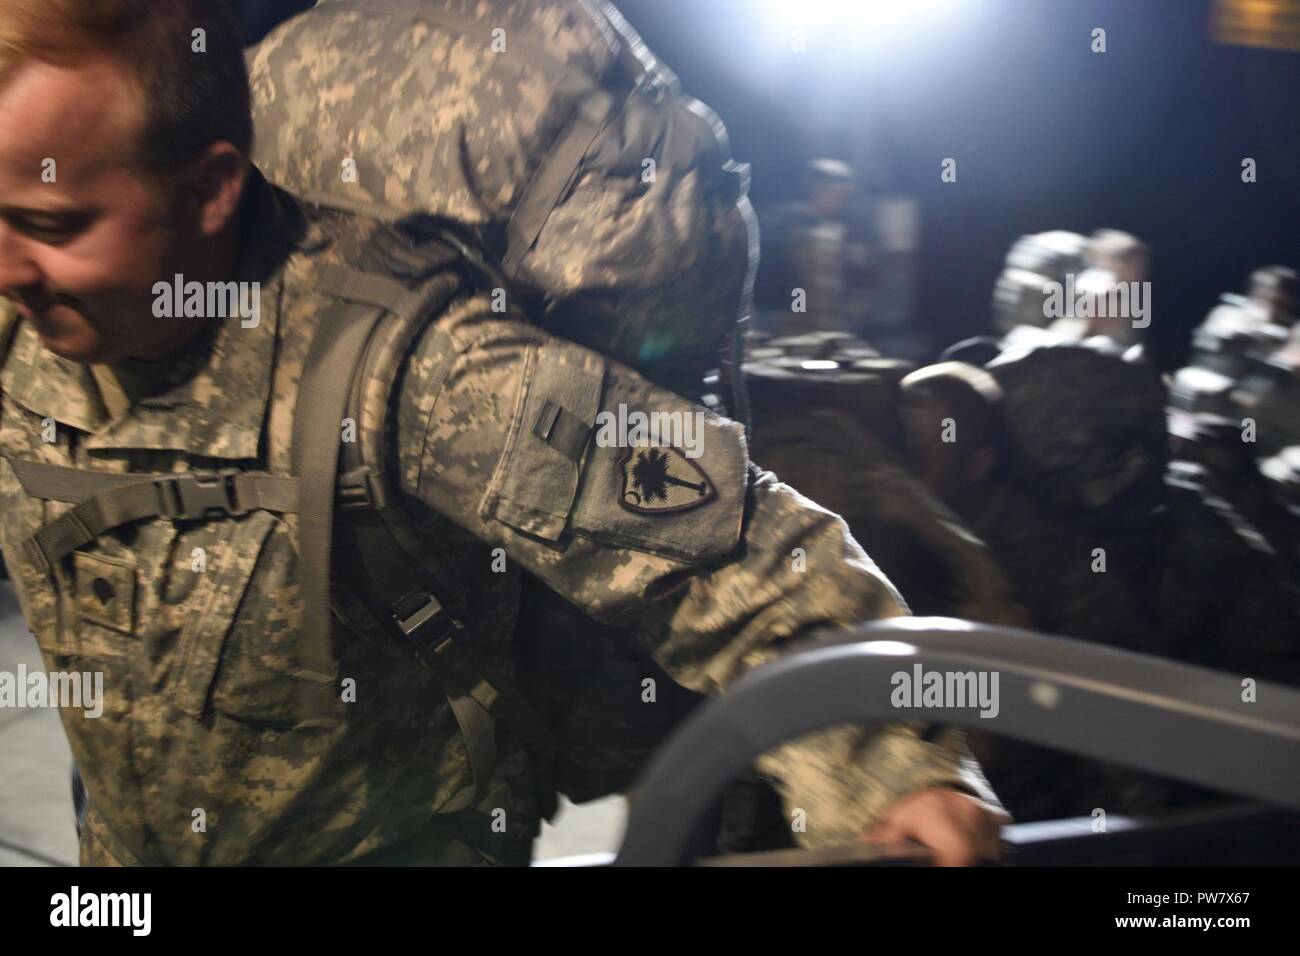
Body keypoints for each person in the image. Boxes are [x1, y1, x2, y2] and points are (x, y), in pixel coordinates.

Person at [0, 0, 1006, 866]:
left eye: (51, 224)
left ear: (213, 188)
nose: (8, 264)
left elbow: (733, 548)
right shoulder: (18, 342)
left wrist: (898, 768)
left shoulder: (403, 368)